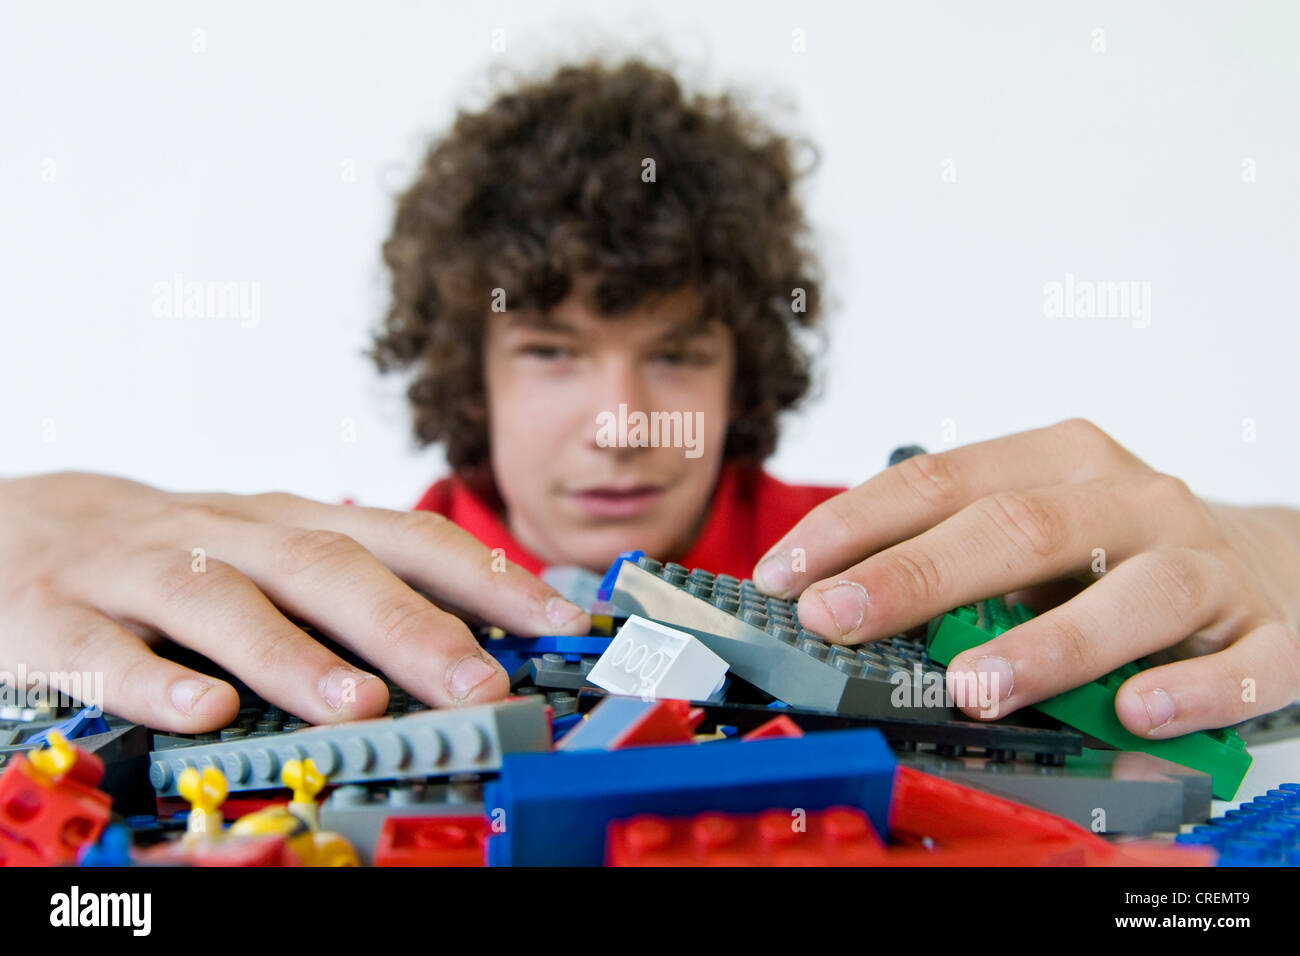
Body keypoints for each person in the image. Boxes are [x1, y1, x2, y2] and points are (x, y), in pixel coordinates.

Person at [3, 59, 1297, 742]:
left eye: (675, 353)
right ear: (469, 374)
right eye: (554, 353)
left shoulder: (895, 559)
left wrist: (1261, 555)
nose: (621, 421)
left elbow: (1170, 574)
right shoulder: (310, 596)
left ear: (747, 377)